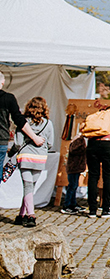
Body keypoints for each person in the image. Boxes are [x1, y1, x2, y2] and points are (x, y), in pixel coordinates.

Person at [15, 97, 55, 228]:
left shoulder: (23, 122)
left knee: (27, 187)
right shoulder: (48, 124)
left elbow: (18, 142)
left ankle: (31, 215)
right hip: (40, 157)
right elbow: (50, 143)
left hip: (25, 156)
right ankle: (21, 215)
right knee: (30, 187)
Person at [0, 71, 44, 165]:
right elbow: (19, 119)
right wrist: (34, 137)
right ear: (3, 82)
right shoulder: (8, 98)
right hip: (1, 139)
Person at [61, 134, 88, 214]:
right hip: (74, 167)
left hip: (76, 167)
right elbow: (73, 149)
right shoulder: (79, 139)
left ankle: (73, 204)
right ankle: (67, 205)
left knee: (74, 186)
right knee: (72, 186)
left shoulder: (81, 139)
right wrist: (85, 150)